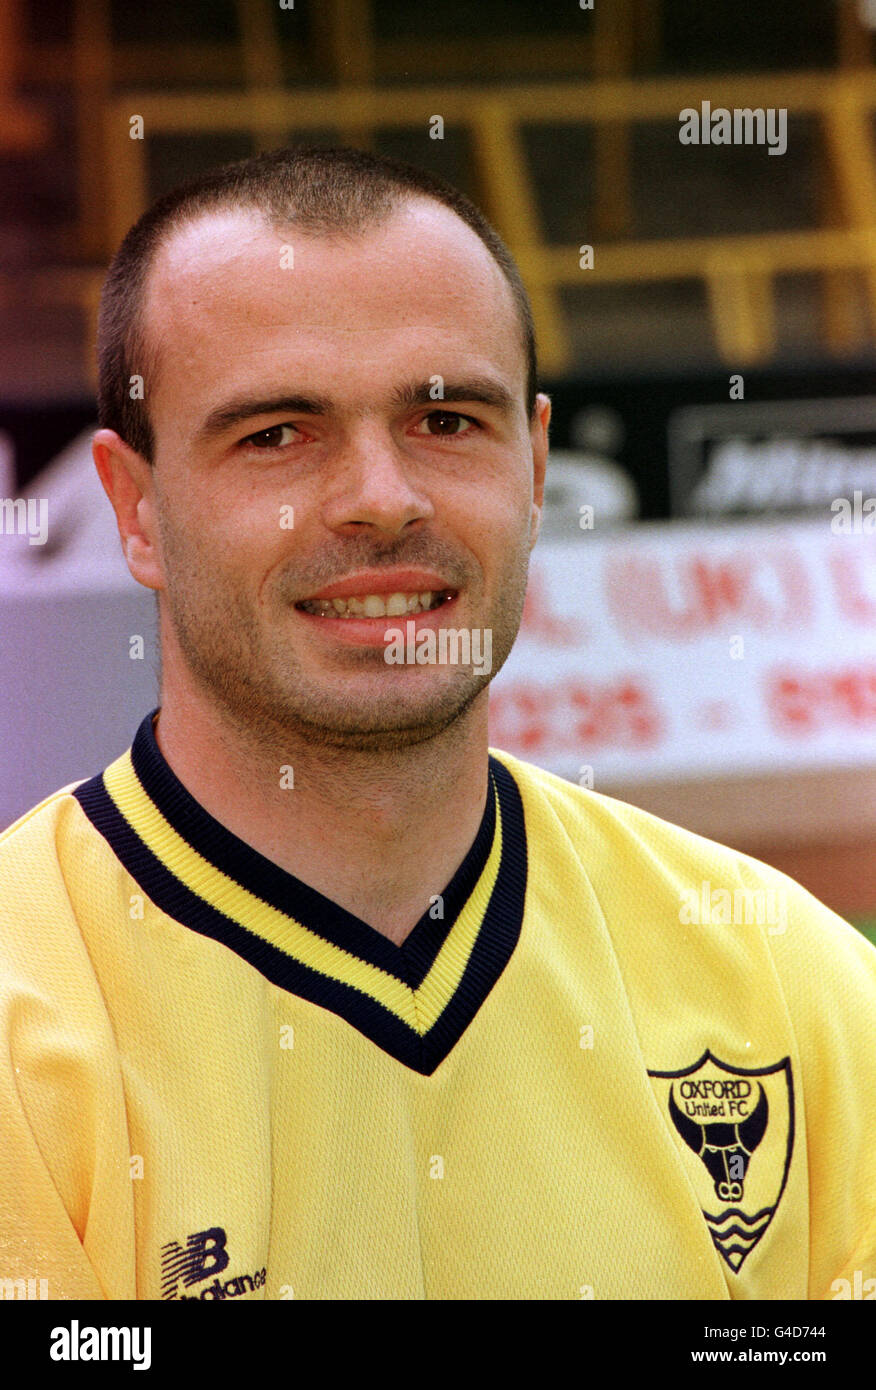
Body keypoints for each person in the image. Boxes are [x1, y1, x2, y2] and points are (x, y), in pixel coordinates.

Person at [1, 146, 874, 1302]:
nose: (381, 496)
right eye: (277, 434)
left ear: (535, 466)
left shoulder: (791, 983)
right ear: (138, 509)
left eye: (448, 419)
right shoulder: (27, 1023)